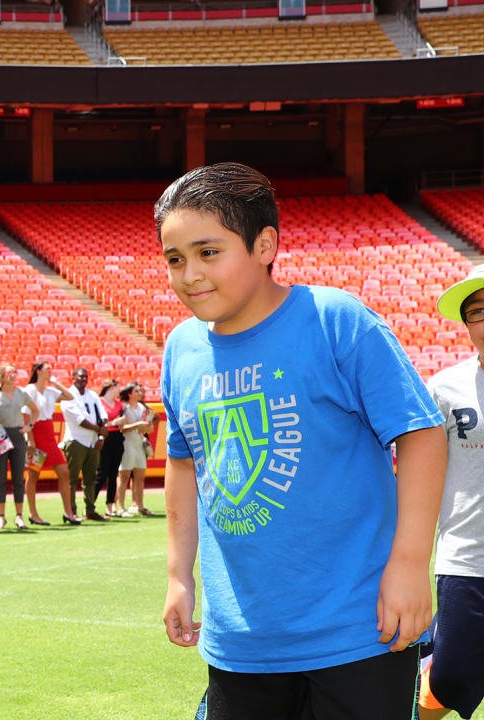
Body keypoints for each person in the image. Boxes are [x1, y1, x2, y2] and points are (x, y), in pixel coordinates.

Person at [156, 162, 446, 720]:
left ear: (264, 245)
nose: (190, 273)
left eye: (208, 252)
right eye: (175, 258)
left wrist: (410, 564)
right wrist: (177, 575)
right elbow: (184, 463)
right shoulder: (180, 349)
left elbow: (422, 434)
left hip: (360, 629)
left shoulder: (336, 320)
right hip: (241, 641)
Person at [421, 264, 484, 720]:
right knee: (449, 679)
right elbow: (421, 476)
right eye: (477, 312)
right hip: (466, 562)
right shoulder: (444, 388)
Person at [0, 362, 38, 530]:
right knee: (0, 478)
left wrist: (29, 426)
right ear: (2, 375)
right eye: (10, 373)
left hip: (17, 435)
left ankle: (19, 515)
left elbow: (35, 410)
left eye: (15, 372)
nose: (13, 375)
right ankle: (1, 517)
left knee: (18, 478)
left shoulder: (21, 393)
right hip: (1, 435)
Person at [21, 360, 75, 525]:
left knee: (64, 471)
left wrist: (56, 382)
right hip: (36, 431)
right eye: (47, 368)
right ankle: (33, 513)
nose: (50, 370)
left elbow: (70, 396)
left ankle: (69, 512)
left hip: (48, 432)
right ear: (38, 371)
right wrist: (30, 439)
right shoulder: (30, 390)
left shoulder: (50, 391)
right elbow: (26, 415)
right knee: (33, 474)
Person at [61, 367, 109, 521]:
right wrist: (100, 430)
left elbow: (103, 416)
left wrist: (100, 437)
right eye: (80, 376)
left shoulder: (92, 395)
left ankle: (90, 510)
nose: (83, 379)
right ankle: (71, 511)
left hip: (92, 441)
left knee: (90, 479)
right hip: (76, 440)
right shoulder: (68, 396)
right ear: (73, 377)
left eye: (85, 377)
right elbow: (80, 420)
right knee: (72, 479)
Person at [115, 381, 158, 517]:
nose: (140, 393)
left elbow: (148, 429)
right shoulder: (124, 407)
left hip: (139, 442)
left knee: (140, 477)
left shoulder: (141, 407)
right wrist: (138, 424)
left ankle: (140, 506)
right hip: (126, 443)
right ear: (129, 394)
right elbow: (122, 428)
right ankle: (121, 507)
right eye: (136, 391)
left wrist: (148, 427)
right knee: (124, 476)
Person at [94, 378, 124, 516]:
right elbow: (99, 422)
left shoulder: (119, 404)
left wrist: (119, 423)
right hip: (104, 438)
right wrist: (113, 423)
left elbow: (123, 421)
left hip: (117, 438)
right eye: (117, 387)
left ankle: (111, 505)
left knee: (113, 473)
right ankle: (90, 504)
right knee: (102, 472)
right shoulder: (99, 402)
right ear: (111, 387)